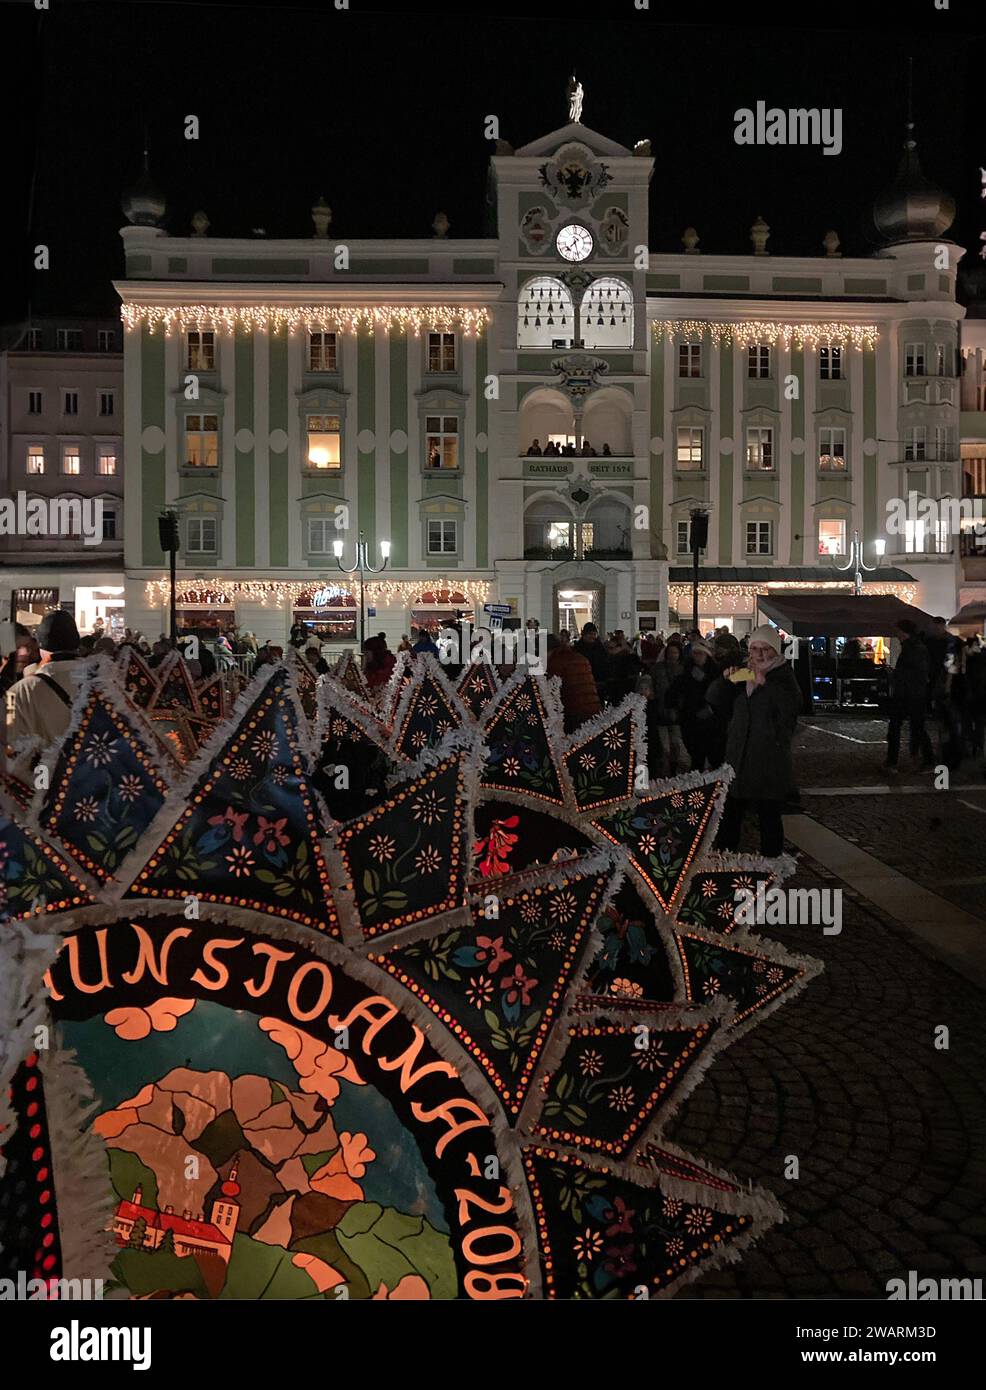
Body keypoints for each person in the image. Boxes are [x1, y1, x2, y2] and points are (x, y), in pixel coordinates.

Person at [712, 625, 802, 857]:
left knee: (769, 816)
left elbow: (790, 711)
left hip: (767, 759)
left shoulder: (783, 676)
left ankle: (772, 865)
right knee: (730, 814)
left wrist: (765, 683)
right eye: (754, 648)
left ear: (776, 650)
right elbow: (714, 700)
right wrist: (724, 680)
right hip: (739, 758)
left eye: (766, 649)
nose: (759, 654)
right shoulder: (745, 673)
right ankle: (724, 861)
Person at [7, 611, 84, 746]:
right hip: (90, 765)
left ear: (40, 645)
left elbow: (10, 743)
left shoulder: (16, 692)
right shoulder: (104, 682)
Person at [884, 618, 934, 773]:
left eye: (898, 631)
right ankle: (926, 760)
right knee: (915, 727)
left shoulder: (914, 648)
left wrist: (894, 674)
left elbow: (914, 672)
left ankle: (893, 762)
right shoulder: (914, 647)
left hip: (909, 694)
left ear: (903, 632)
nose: (896, 634)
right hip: (913, 693)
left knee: (901, 728)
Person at [670, 638, 719, 771]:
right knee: (696, 757)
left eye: (700, 653)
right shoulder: (685, 672)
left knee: (713, 758)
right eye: (695, 653)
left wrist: (711, 709)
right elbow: (674, 693)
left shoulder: (716, 673)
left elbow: (720, 696)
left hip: (711, 721)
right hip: (690, 720)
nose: (697, 656)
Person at [546, 633, 601, 732]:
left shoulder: (556, 662)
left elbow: (551, 691)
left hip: (573, 712)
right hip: (593, 709)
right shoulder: (580, 657)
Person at [651, 641, 686, 775]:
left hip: (677, 712)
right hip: (661, 710)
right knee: (664, 744)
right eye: (670, 652)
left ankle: (673, 767)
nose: (672, 655)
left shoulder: (683, 668)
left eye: (675, 652)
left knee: (676, 742)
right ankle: (666, 769)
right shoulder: (658, 668)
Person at [573, 622, 610, 698]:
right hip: (582, 683)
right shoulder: (577, 648)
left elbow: (605, 663)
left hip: (598, 682)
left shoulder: (600, 647)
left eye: (594, 634)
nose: (592, 636)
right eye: (589, 634)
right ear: (584, 634)